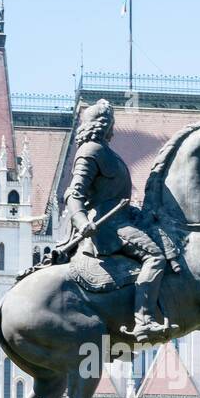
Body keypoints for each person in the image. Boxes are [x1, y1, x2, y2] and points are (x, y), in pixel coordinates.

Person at [64, 99, 178, 341]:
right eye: (110, 122)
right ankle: (143, 321)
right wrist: (82, 222)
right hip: (108, 228)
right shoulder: (90, 152)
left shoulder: (105, 152)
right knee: (155, 256)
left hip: (124, 219)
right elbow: (74, 195)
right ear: (103, 124)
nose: (112, 127)